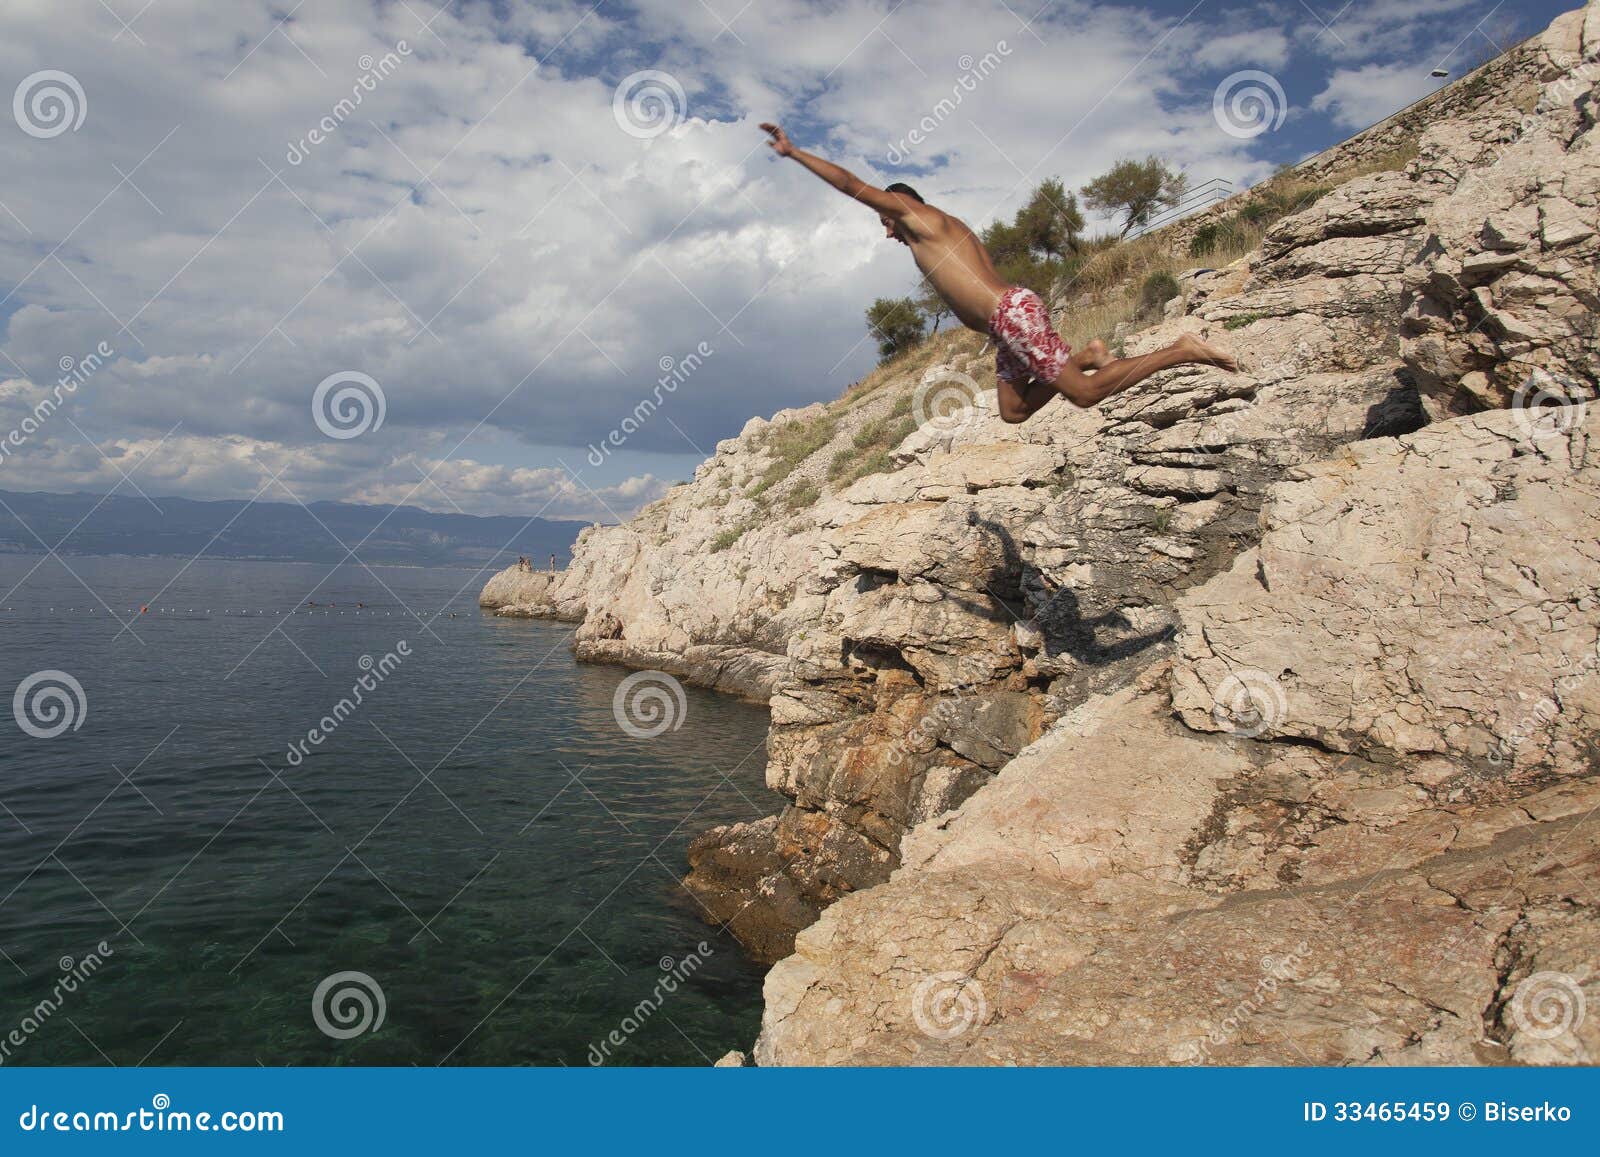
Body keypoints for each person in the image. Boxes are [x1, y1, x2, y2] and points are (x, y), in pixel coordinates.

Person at [760, 123, 1238, 422]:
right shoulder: (946, 228)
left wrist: (795, 153)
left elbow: (852, 185)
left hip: (1012, 316)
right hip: (1005, 326)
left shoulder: (917, 217)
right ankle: (1088, 354)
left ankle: (1181, 351)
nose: (886, 233)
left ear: (900, 205)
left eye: (884, 221)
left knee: (1087, 395)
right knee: (1011, 411)